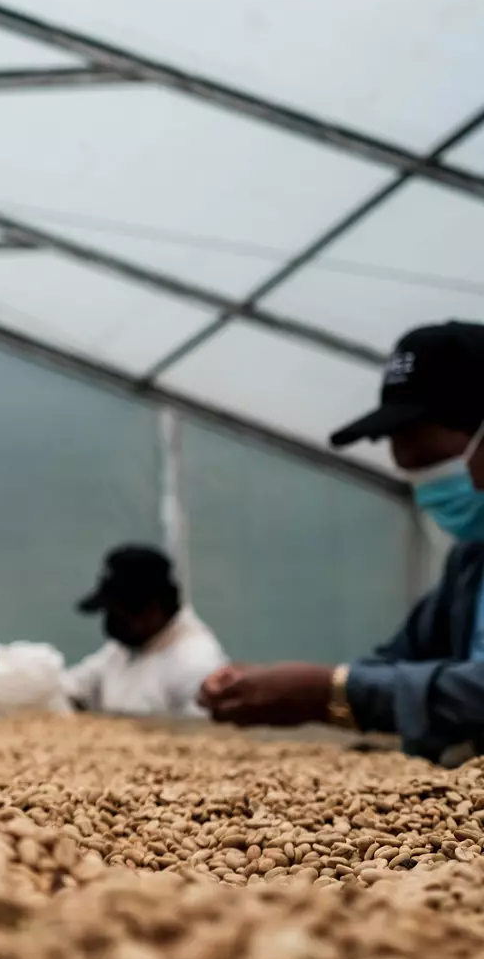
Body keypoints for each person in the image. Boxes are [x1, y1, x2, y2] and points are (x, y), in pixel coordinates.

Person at [200, 322, 484, 763]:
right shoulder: (472, 559)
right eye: (413, 476)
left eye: (434, 465)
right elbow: (400, 659)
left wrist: (330, 691)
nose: (428, 493)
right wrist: (273, 684)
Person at [61, 545, 228, 717]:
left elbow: (202, 736)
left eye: (116, 613)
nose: (109, 622)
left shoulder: (194, 664)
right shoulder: (127, 646)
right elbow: (74, 687)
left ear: (152, 610)